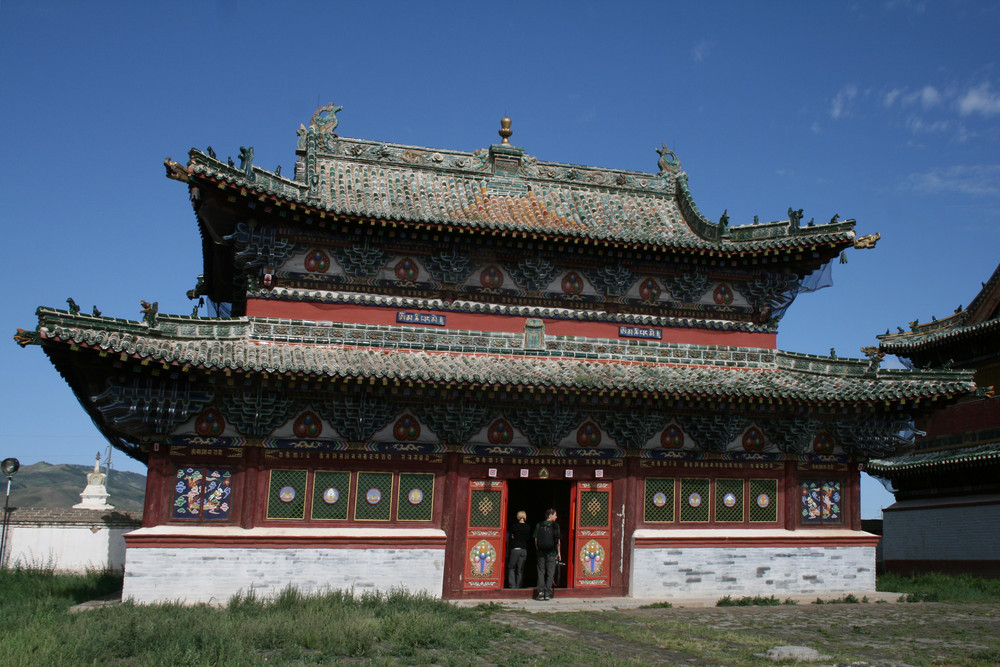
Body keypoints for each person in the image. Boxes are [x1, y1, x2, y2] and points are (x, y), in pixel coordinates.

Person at [533, 508, 561, 601]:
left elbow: (536, 539)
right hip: (552, 552)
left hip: (540, 552)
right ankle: (548, 593)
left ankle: (540, 593)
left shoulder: (539, 525)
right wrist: (559, 552)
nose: (556, 517)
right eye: (555, 515)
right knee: (550, 572)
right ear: (550, 515)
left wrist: (538, 549)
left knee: (541, 571)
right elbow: (558, 541)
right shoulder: (555, 526)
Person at [506, 510, 531, 588]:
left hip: (515, 548)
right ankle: (519, 585)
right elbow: (528, 538)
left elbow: (511, 537)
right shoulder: (527, 527)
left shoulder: (514, 526)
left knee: (511, 567)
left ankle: (512, 585)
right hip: (524, 549)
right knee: (520, 569)